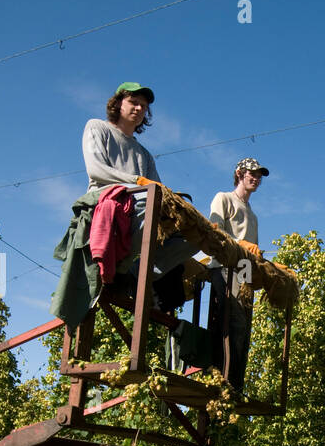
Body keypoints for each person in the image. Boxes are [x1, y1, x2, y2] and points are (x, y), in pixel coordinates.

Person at [81, 82, 197, 308]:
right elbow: (96, 170)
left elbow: (158, 189)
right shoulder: (97, 127)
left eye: (144, 106)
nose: (139, 109)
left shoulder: (145, 154)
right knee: (148, 203)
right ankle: (118, 270)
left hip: (142, 203)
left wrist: (180, 207)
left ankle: (135, 276)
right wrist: (137, 181)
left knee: (192, 232)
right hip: (105, 200)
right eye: (133, 102)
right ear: (117, 104)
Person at [206, 159, 267, 391]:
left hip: (245, 273)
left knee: (243, 330)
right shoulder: (224, 198)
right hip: (225, 268)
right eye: (252, 174)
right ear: (239, 174)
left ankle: (235, 386)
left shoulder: (253, 215)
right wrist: (240, 244)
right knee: (226, 324)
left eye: (259, 175)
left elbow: (253, 251)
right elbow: (214, 231)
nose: (256, 178)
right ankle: (218, 379)